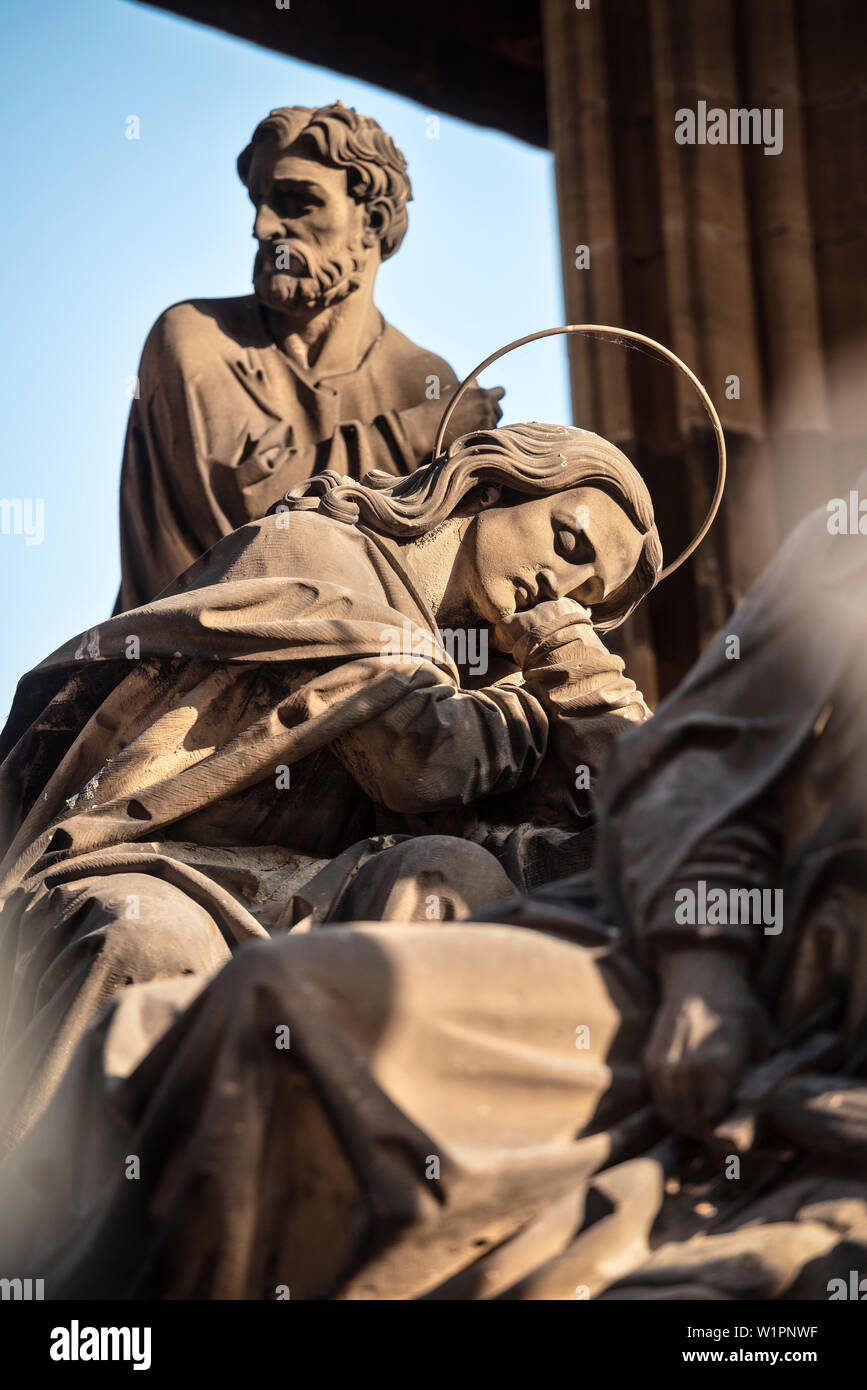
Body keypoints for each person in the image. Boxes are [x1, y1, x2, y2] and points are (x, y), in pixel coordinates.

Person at [0, 422, 659, 1152]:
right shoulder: (314, 552)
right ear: (494, 485)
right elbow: (422, 762)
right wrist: (552, 678)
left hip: (296, 889)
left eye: (589, 598)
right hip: (151, 864)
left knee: (455, 885)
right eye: (568, 544)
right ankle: (60, 1235)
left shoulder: (481, 676)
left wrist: (581, 677)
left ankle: (376, 1205)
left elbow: (637, 814)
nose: (561, 591)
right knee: (155, 940)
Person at [115, 102, 503, 611]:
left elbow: (429, 581)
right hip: (187, 663)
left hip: (364, 671)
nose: (262, 227)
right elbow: (253, 514)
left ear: (374, 220)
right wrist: (410, 436)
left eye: (297, 202)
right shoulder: (194, 337)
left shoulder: (422, 380)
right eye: (257, 201)